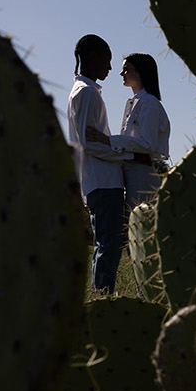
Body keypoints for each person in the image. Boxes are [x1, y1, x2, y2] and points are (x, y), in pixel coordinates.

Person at [66, 34, 127, 294]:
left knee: (109, 243)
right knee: (109, 244)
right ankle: (103, 300)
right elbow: (87, 143)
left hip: (98, 180)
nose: (110, 68)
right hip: (102, 181)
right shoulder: (87, 93)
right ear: (93, 56)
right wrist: (122, 152)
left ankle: (104, 298)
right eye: (106, 60)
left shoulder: (85, 92)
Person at [86, 52, 170, 207]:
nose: (121, 73)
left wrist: (108, 140)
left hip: (142, 176)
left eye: (126, 69)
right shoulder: (135, 103)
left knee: (141, 225)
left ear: (139, 73)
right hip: (131, 174)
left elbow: (147, 144)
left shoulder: (149, 103)